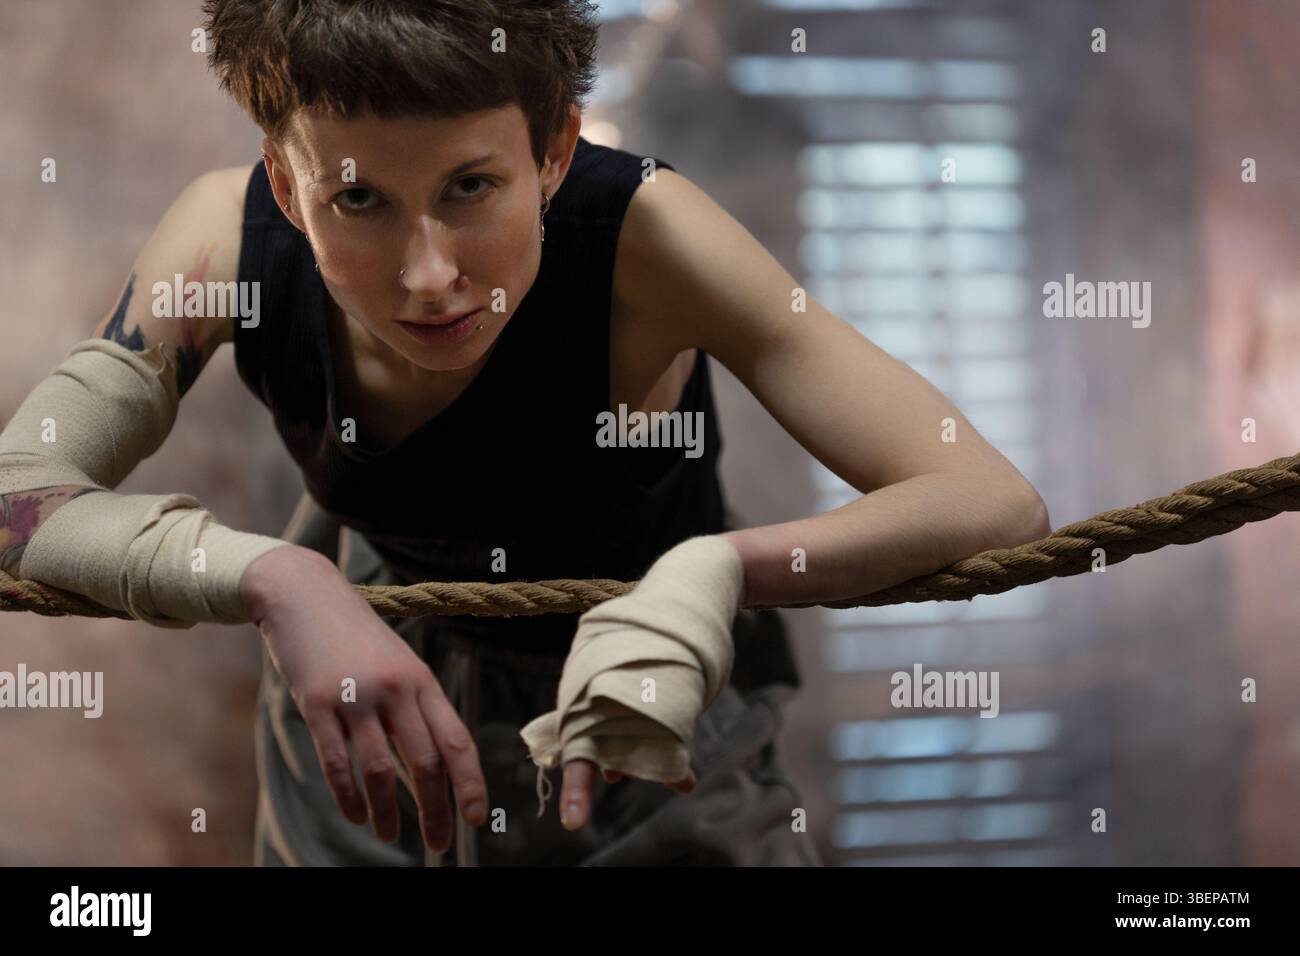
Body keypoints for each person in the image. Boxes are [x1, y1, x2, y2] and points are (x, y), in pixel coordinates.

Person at [0, 0, 1050, 866]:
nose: (427, 276)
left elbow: (990, 499)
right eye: (356, 197)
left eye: (471, 187)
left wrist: (714, 570)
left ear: (551, 154)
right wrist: (280, 579)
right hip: (361, 727)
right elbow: (15, 492)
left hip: (653, 722)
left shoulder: (648, 232)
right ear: (285, 182)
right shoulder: (227, 239)